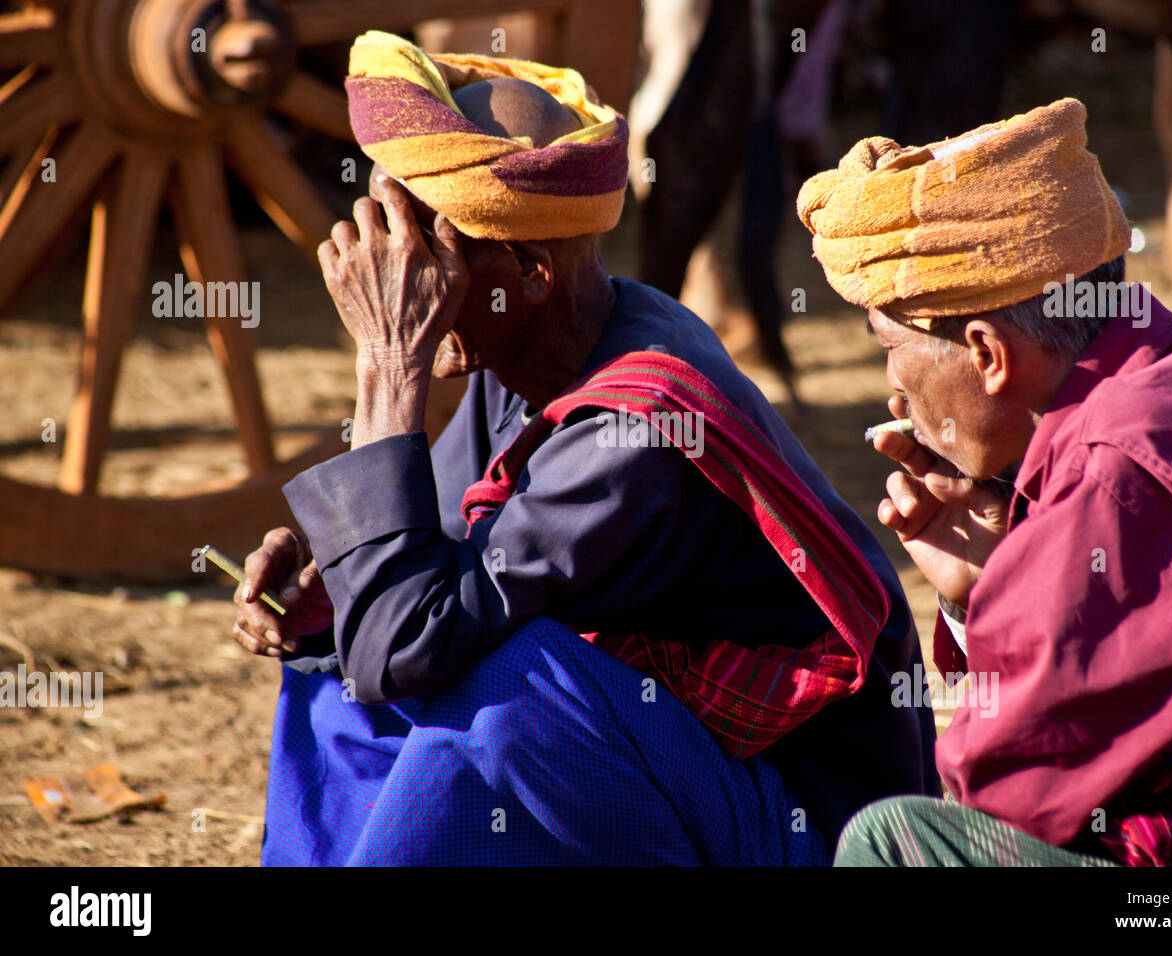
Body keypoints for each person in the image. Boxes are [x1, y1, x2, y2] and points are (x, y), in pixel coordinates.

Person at [231, 31, 939, 865]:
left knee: (512, 685)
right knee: (340, 666)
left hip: (798, 823)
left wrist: (391, 359)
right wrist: (330, 583)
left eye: (426, 248)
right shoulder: (535, 348)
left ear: (529, 269)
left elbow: (410, 647)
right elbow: (424, 586)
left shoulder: (633, 430)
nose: (400, 275)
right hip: (671, 761)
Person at [797, 97, 1172, 867]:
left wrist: (1030, 584)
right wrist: (991, 589)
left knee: (897, 845)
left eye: (890, 350)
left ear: (987, 355)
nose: (894, 393)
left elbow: (1004, 798)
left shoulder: (1113, 478)